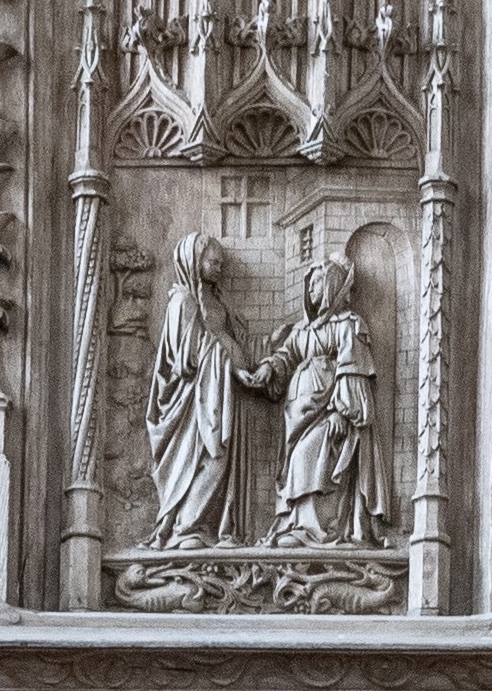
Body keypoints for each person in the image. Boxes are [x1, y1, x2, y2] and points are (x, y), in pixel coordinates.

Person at [146, 233, 272, 547]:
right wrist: (233, 367)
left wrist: (267, 350)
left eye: (220, 263)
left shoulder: (215, 300)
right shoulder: (183, 301)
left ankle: (203, 527)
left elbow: (234, 339)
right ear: (194, 260)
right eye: (212, 261)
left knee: (219, 458)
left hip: (221, 392)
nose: (218, 267)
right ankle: (187, 528)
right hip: (196, 400)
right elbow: (191, 353)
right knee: (209, 458)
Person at [265, 258, 391, 548]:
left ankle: (317, 530)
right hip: (297, 413)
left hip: (330, 410)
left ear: (333, 284)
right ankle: (298, 524)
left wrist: (339, 411)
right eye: (309, 284)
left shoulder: (348, 324)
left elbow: (352, 369)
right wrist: (272, 367)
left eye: (318, 282)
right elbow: (287, 355)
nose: (311, 288)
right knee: (296, 459)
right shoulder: (304, 329)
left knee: (310, 457)